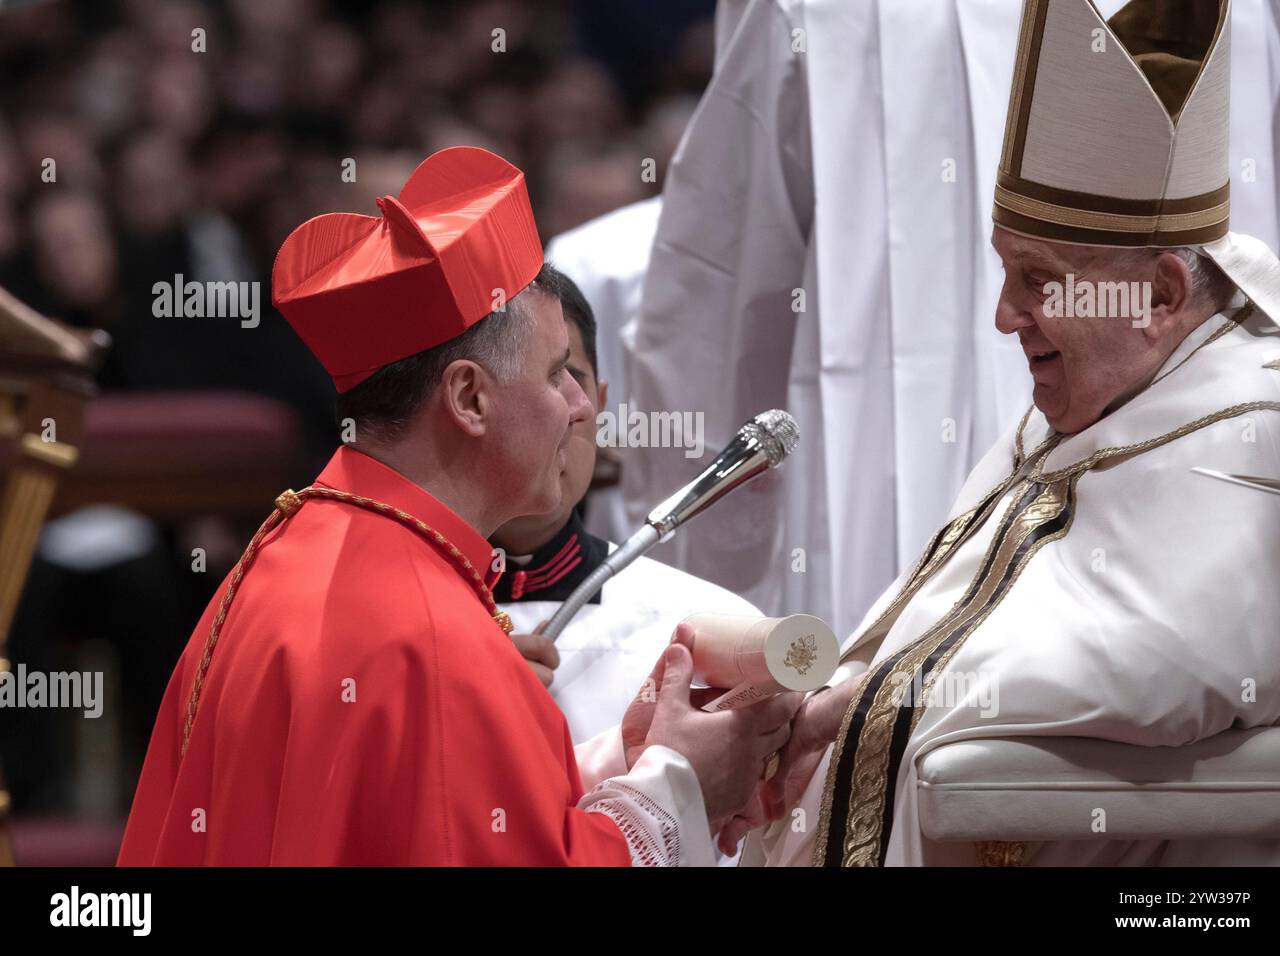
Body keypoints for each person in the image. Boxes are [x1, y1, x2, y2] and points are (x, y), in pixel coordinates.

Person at [117, 146, 799, 866]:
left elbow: (404, 823)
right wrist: (682, 785)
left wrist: (618, 763)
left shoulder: (288, 549)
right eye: (556, 373)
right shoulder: (436, 638)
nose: (580, 406)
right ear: (470, 398)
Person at [745, 0, 1280, 866]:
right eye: (1006, 271)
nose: (1005, 316)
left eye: (1039, 280)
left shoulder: (1267, 427)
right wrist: (836, 687)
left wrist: (864, 706)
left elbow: (1166, 660)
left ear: (1159, 294)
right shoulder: (1108, 388)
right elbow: (956, 606)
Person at [621, 0, 1280, 638]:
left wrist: (704, 608)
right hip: (900, 548)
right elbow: (722, 303)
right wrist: (707, 616)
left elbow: (717, 319)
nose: (1005, 319)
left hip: (1191, 509)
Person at [490, 268, 761, 746]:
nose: (557, 412)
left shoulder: (708, 626)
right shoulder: (383, 629)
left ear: (596, 403)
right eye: (520, 383)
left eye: (565, 378)